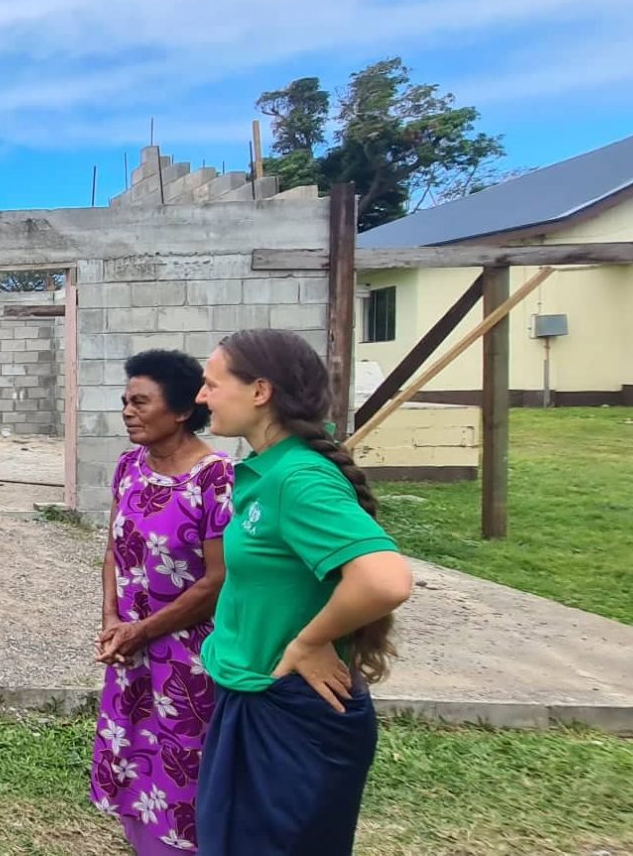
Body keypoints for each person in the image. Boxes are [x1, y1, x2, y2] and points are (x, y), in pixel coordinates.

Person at [193, 329, 414, 854]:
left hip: (289, 712)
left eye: (211, 384)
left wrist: (311, 642)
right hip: (253, 697)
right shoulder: (267, 472)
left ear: (260, 391)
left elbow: (385, 579)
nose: (202, 397)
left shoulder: (299, 478)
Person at [90, 349, 232, 854]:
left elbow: (217, 581)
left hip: (187, 661)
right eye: (125, 401)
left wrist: (143, 630)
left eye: (140, 402)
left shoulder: (215, 478)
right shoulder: (130, 466)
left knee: (180, 762)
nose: (128, 412)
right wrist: (112, 619)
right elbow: (113, 549)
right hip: (129, 649)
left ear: (180, 410)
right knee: (134, 755)